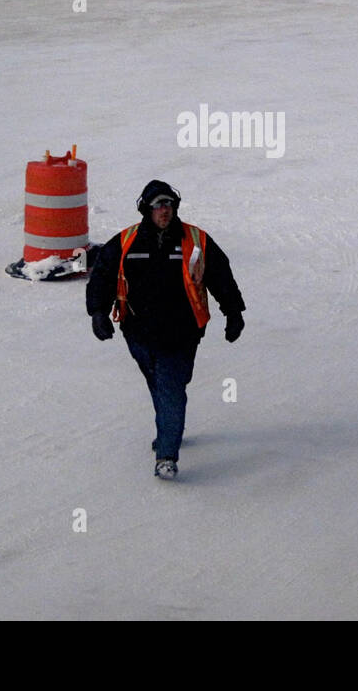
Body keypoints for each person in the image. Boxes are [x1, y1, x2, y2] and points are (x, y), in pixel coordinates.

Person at [86, 180, 245, 480]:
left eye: (169, 205)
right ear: (146, 208)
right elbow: (103, 277)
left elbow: (221, 276)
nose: (164, 211)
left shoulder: (195, 240)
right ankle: (169, 427)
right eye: (159, 205)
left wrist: (233, 312)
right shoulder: (126, 241)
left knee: (171, 386)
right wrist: (98, 312)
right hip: (138, 332)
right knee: (161, 385)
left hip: (181, 332)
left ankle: (167, 455)